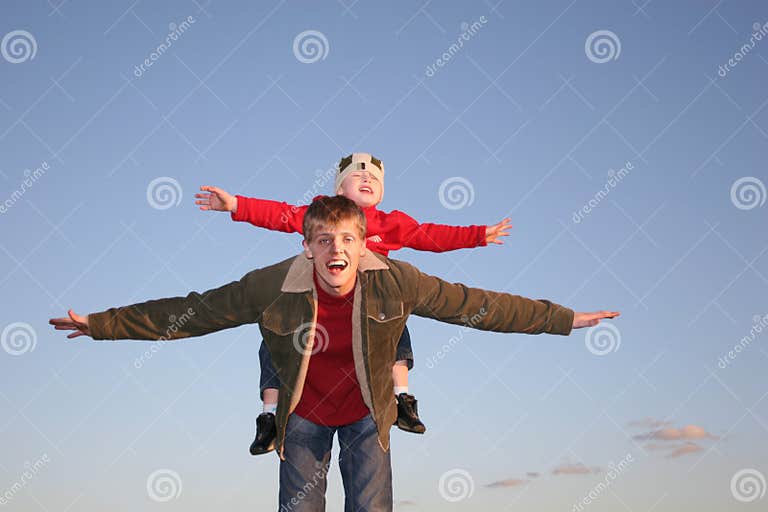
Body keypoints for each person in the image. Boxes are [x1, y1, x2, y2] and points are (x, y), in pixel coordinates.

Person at [50, 195, 619, 512]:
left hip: (368, 414)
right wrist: (102, 325)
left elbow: (478, 305)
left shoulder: (397, 280)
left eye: (347, 239)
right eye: (324, 240)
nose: (336, 250)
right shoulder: (272, 285)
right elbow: (194, 311)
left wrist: (563, 319)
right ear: (307, 246)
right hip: (303, 413)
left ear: (363, 244)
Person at [194, 152, 512, 454]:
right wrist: (235, 204)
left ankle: (402, 398)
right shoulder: (322, 214)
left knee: (395, 318)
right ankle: (269, 415)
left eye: (374, 178)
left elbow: (430, 235)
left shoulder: (390, 223)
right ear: (339, 189)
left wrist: (478, 235)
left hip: (369, 307)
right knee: (276, 333)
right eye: (357, 176)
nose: (367, 179)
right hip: (321, 304)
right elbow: (282, 214)